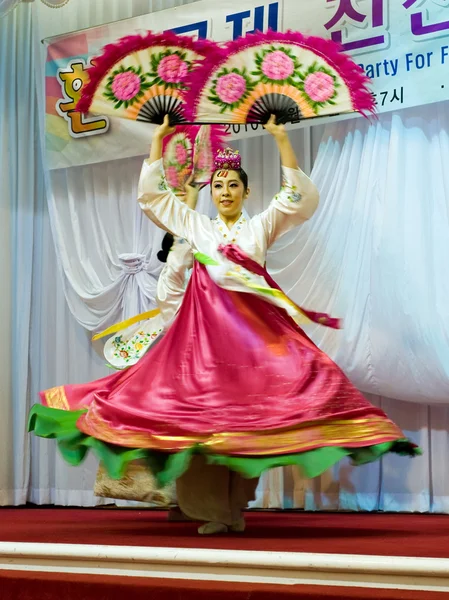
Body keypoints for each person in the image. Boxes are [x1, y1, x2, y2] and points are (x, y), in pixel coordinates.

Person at [29, 115, 419, 535]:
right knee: (202, 423)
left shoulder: (259, 228)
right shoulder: (198, 227)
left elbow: (296, 199)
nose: (226, 191)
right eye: (219, 185)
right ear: (210, 193)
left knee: (259, 420)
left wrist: (282, 139)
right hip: (206, 349)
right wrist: (159, 142)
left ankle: (233, 507)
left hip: (254, 346)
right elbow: (156, 200)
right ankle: (215, 510)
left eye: (234, 185)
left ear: (247, 191)